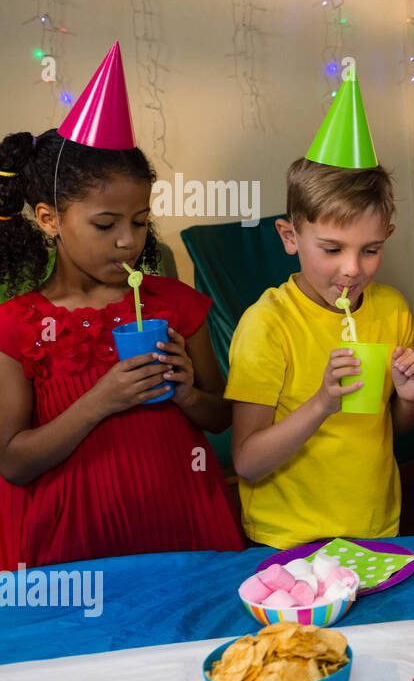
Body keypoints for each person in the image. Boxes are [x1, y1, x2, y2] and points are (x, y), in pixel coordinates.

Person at [0, 44, 243, 567]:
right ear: (48, 219)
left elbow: (222, 416)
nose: (128, 241)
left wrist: (187, 395)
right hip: (70, 548)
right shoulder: (16, 326)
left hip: (183, 525)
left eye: (139, 220)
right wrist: (101, 399)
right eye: (105, 225)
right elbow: (13, 463)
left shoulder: (176, 305)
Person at [226, 79, 414, 547]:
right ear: (289, 237)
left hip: (376, 529)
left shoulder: (391, 309)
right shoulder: (267, 324)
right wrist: (322, 403)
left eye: (371, 249)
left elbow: (395, 427)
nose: (352, 269)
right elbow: (246, 460)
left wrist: (409, 397)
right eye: (332, 248)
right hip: (289, 541)